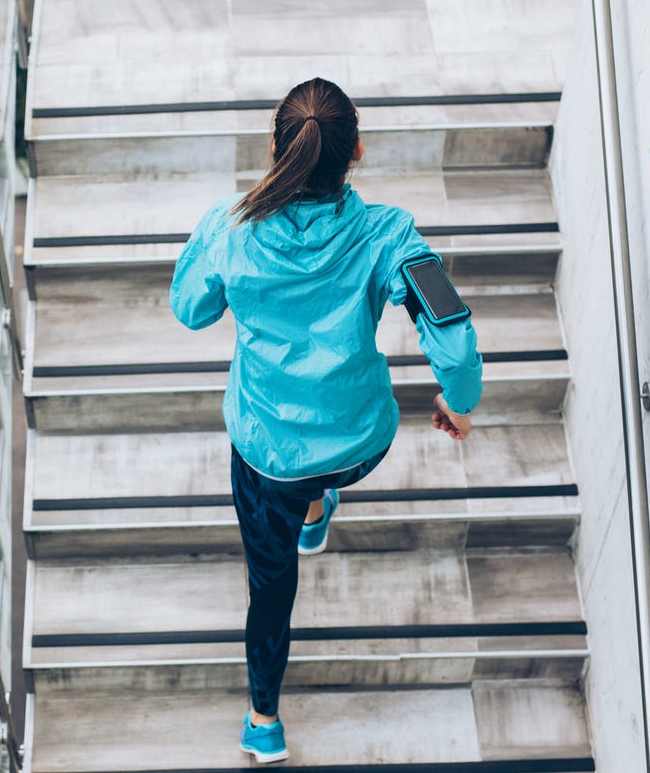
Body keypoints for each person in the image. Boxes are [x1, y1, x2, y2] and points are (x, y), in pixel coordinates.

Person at [169, 78, 483, 764]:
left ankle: (264, 722)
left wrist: (214, 232)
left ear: (277, 150)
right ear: (358, 151)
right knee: (317, 485)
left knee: (270, 588)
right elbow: (453, 333)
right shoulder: (388, 234)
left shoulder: (232, 227)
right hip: (359, 441)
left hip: (267, 455)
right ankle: (316, 515)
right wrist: (458, 405)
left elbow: (189, 309)